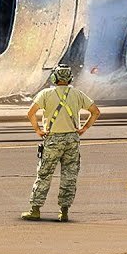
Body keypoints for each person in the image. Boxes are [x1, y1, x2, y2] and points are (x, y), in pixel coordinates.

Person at [22, 65, 99, 222]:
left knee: (44, 174)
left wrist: (38, 130)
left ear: (54, 78)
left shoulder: (45, 94)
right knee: (69, 175)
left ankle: (35, 210)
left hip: (52, 139)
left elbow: (30, 113)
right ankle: (64, 211)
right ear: (70, 78)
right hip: (72, 140)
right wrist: (83, 129)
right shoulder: (77, 94)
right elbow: (95, 111)